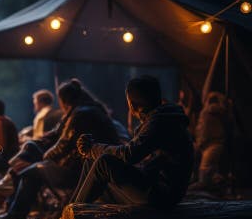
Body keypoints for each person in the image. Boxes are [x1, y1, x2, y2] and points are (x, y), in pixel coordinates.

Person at [0, 79, 119, 219]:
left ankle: (15, 207)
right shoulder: (82, 110)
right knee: (31, 146)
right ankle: (10, 181)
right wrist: (41, 140)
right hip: (80, 163)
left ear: (64, 99)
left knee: (29, 171)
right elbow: (58, 133)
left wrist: (43, 159)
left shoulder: (81, 114)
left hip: (82, 170)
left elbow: (63, 146)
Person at [71, 76, 194, 207]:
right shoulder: (162, 117)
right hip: (156, 185)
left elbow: (129, 155)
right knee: (92, 161)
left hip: (162, 195)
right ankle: (69, 210)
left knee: (103, 163)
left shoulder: (160, 122)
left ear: (132, 104)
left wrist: (93, 148)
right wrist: (93, 151)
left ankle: (75, 212)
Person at [190, 91, 231, 191]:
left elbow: (223, 107)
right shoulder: (205, 111)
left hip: (213, 144)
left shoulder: (213, 108)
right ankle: (218, 182)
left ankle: (217, 186)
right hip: (203, 145)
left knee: (205, 174)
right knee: (208, 171)